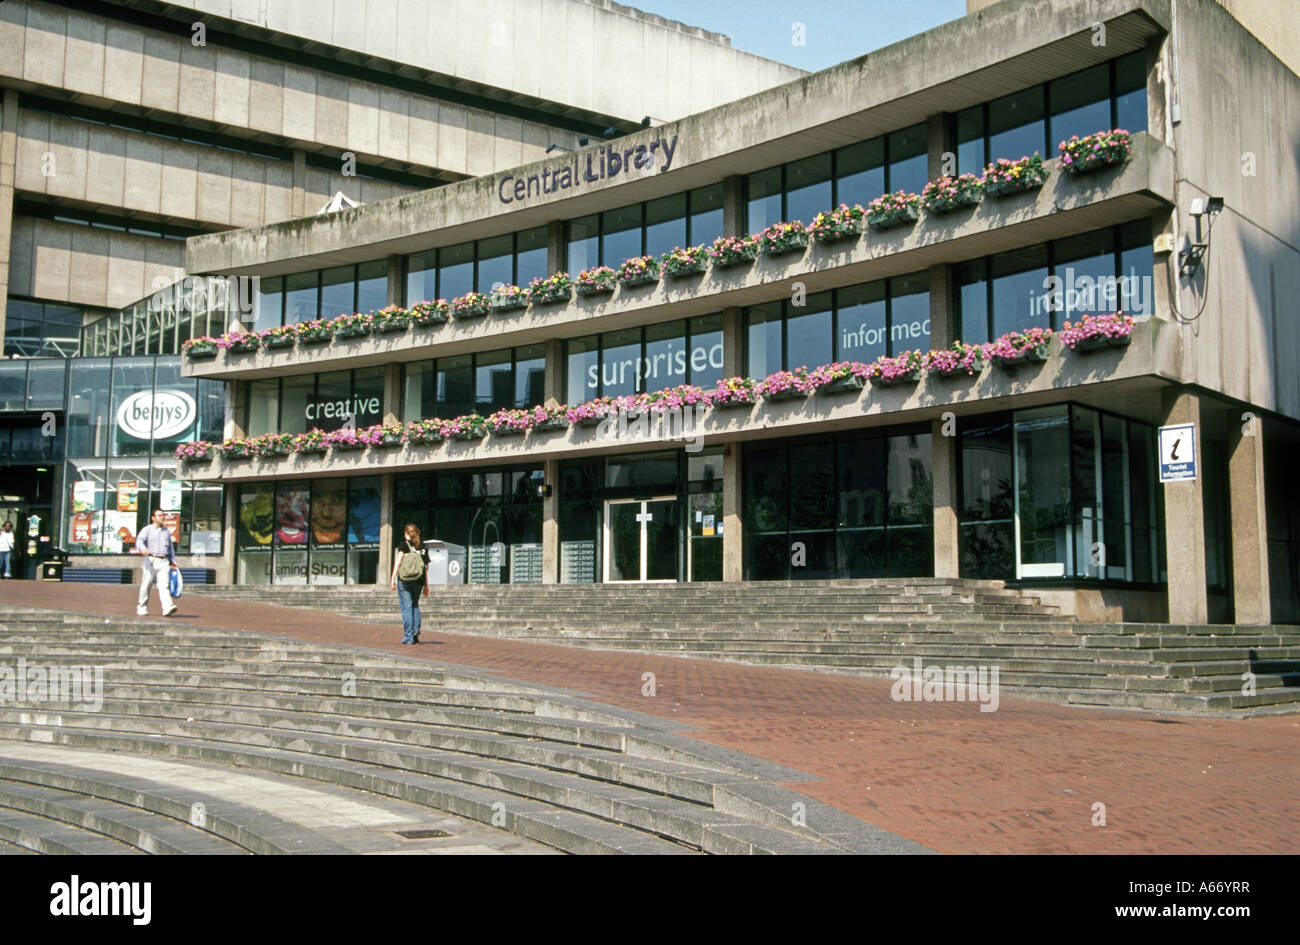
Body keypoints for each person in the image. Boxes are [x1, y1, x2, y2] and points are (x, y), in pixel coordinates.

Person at [390, 522, 430, 644]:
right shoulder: (422, 547)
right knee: (415, 605)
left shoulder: (404, 545)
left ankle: (408, 637)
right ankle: (415, 633)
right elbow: (425, 567)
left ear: (406, 533)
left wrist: (392, 579)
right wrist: (426, 585)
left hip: (405, 580)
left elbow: (397, 562)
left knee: (407, 608)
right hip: (419, 580)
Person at [135, 508, 179, 617]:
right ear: (153, 518)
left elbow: (170, 548)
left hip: (164, 561)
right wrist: (143, 548)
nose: (162, 517)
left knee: (164, 585)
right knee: (147, 584)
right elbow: (139, 540)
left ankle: (167, 608)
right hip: (151, 560)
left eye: (162, 515)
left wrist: (173, 561)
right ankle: (142, 607)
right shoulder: (147, 529)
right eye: (159, 515)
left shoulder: (166, 531)